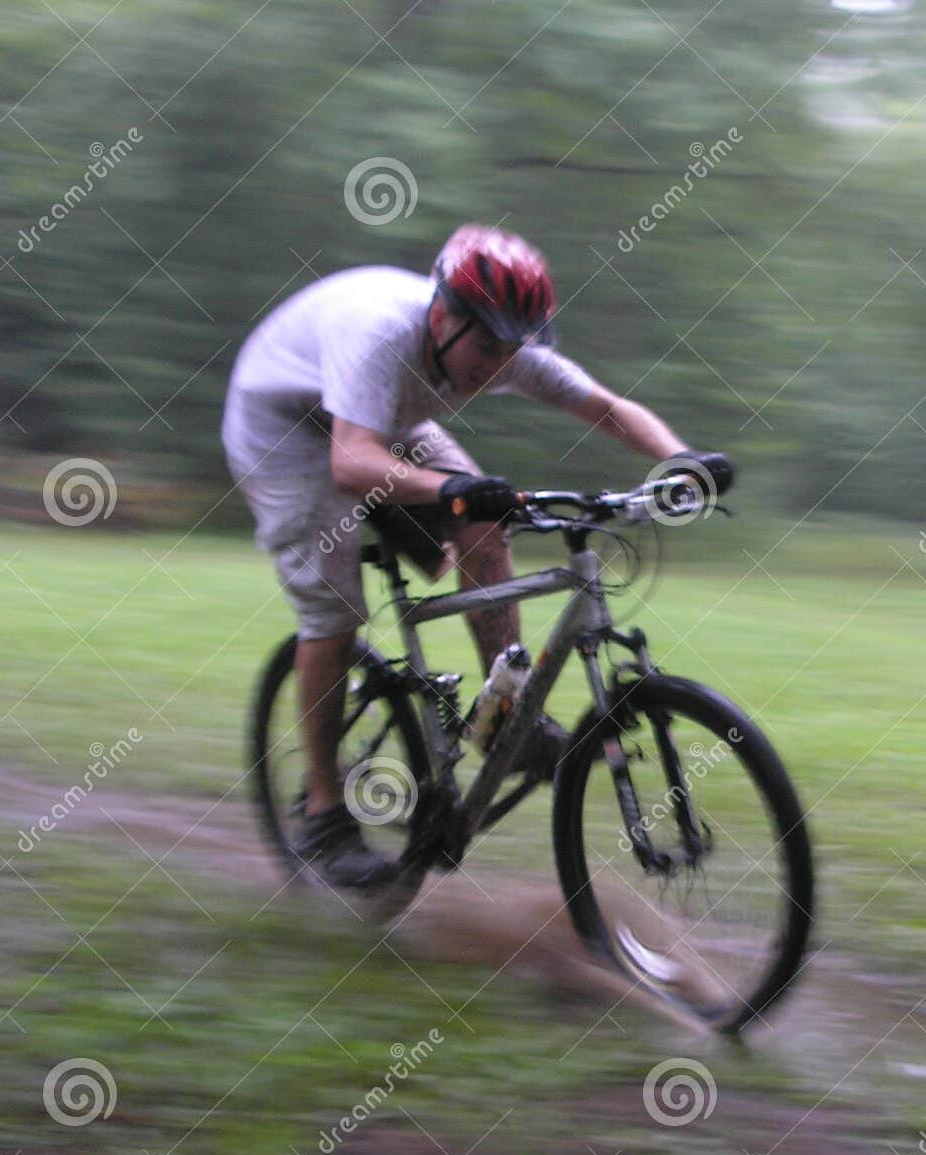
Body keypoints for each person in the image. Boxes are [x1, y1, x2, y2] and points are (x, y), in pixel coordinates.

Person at [221, 224, 733, 889]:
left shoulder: (502, 344)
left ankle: (502, 724)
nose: (493, 367)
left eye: (508, 352)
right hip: (283, 427)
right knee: (335, 609)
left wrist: (680, 462)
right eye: (484, 347)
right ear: (443, 315)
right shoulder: (380, 334)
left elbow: (608, 410)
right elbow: (350, 462)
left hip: (383, 422)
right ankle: (322, 809)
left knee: (487, 521)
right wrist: (453, 489)